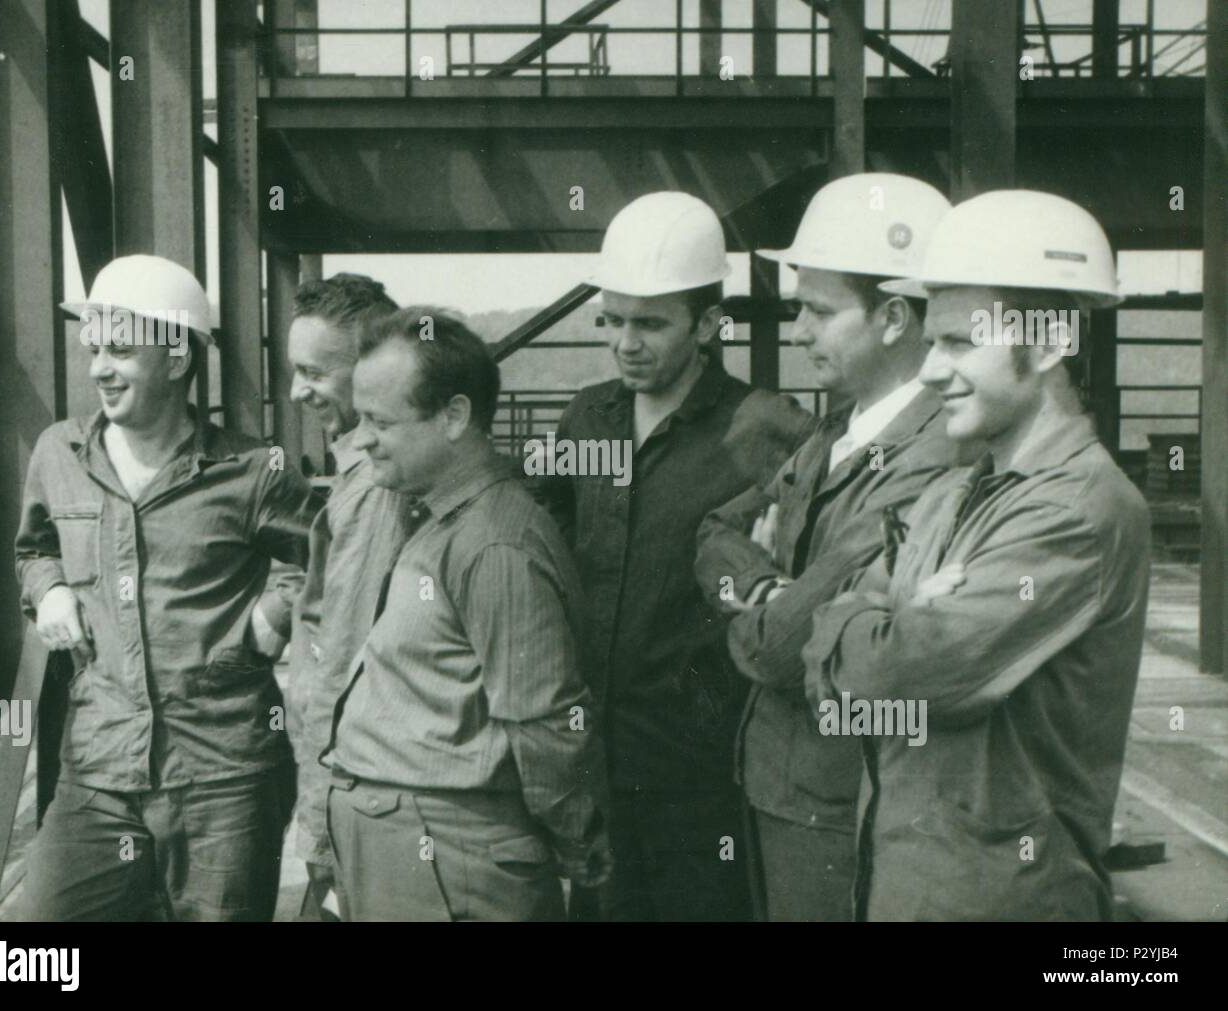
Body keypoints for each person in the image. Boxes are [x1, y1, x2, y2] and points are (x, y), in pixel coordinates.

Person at [801, 190, 1150, 921]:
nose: (929, 370)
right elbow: (830, 688)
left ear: (1051, 340)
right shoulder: (949, 494)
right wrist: (877, 623)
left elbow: (896, 678)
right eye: (931, 340)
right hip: (900, 886)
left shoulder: (1081, 510)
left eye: (960, 342)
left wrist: (874, 622)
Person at [17, 254, 321, 920]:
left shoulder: (252, 471)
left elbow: (331, 551)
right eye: (94, 346)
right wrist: (50, 589)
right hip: (98, 768)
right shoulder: (58, 455)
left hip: (222, 776)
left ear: (178, 358)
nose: (99, 366)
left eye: (121, 349)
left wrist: (276, 611)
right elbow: (33, 547)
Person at [695, 172, 957, 921]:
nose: (799, 329)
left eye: (818, 309)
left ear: (895, 316)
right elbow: (712, 532)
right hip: (785, 778)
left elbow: (783, 649)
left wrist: (760, 603)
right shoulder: (841, 430)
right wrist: (766, 584)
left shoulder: (930, 456)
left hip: (844, 797)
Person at [550, 191, 816, 921]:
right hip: (598, 762)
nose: (625, 342)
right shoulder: (588, 417)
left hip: (704, 777)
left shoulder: (766, 430)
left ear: (707, 324)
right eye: (613, 320)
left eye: (650, 324)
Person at [323, 308, 611, 921]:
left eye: (378, 421)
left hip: (446, 856)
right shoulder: (436, 517)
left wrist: (580, 847)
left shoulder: (493, 544)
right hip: (413, 846)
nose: (362, 438)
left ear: (454, 416)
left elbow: (545, 722)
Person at [278, 273, 408, 917]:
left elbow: (342, 671)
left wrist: (320, 829)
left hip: (361, 795)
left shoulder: (375, 491)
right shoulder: (374, 473)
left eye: (313, 373)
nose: (296, 391)